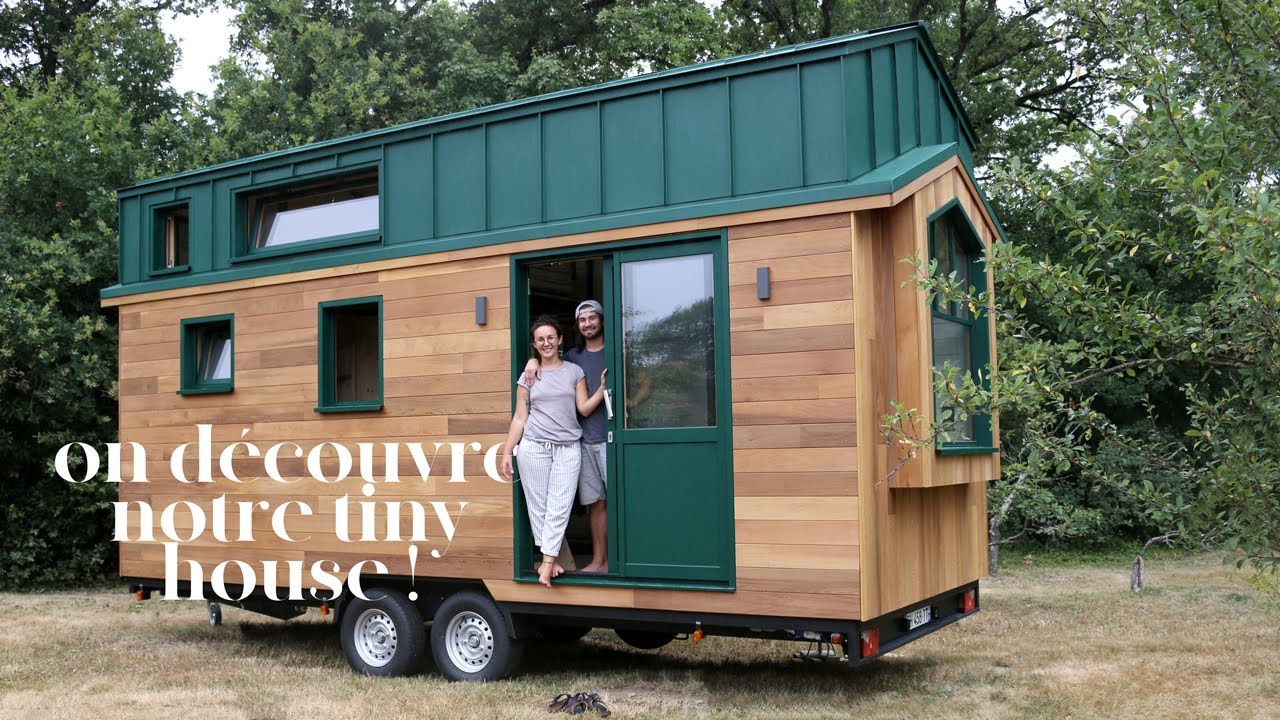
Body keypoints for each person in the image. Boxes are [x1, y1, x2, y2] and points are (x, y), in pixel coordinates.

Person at [501, 315, 607, 587]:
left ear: (560, 340)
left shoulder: (574, 371)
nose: (546, 343)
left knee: (560, 506)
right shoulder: (528, 377)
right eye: (540, 339)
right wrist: (506, 451)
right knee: (539, 508)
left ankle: (546, 562)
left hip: (567, 448)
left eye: (551, 338)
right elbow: (519, 418)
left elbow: (583, 408)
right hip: (534, 447)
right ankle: (552, 560)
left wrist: (603, 390)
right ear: (534, 345)